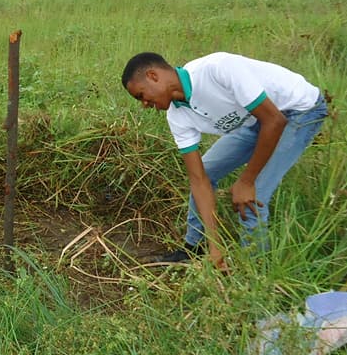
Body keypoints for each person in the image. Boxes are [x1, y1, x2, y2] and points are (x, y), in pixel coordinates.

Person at [121, 51, 328, 270]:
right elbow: (198, 179)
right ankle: (196, 249)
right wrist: (215, 246)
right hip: (254, 120)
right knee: (206, 173)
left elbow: (274, 121)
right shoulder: (177, 116)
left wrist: (246, 181)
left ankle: (255, 272)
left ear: (153, 76)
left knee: (253, 194)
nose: (144, 104)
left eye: (141, 95)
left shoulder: (217, 69)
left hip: (299, 111)